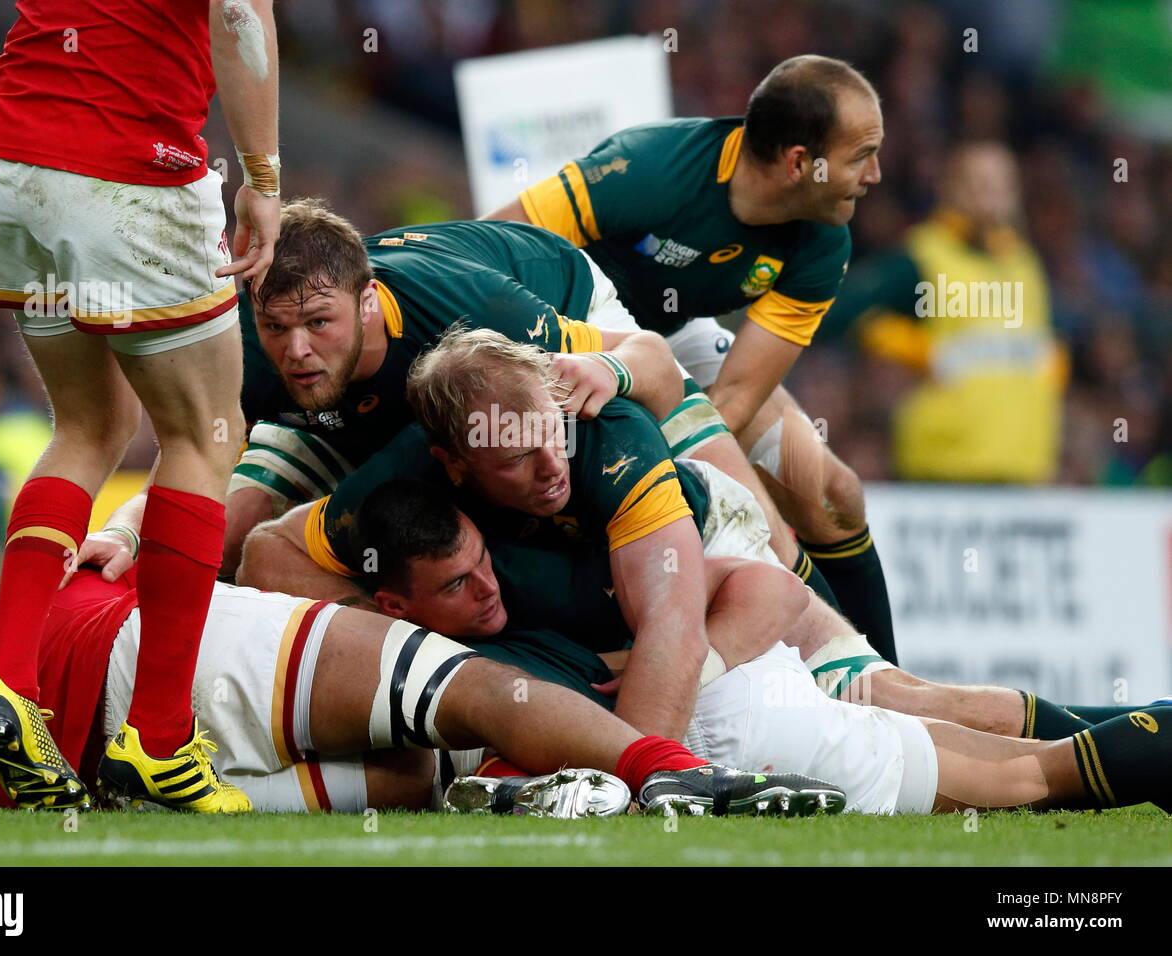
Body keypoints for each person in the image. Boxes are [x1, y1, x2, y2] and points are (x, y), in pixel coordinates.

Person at [243, 327, 1146, 743]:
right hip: (591, 600)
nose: (551, 468)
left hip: (713, 544)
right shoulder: (404, 475)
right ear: (451, 462)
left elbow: (678, 622)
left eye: (553, 436)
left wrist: (631, 771)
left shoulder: (608, 439)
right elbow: (266, 558)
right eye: (516, 460)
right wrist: (402, 626)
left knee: (885, 700)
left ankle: (1127, 737)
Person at [77, 200, 837, 608]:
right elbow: (194, 458)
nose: (297, 348)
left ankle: (840, 647)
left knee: (734, 504)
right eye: (279, 329)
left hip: (562, 301)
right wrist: (124, 530)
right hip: (351, 405)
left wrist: (613, 370)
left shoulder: (483, 316)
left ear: (367, 303)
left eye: (318, 323)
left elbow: (656, 363)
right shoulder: (257, 346)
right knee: (230, 531)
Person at [334, 478, 1172, 818]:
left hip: (734, 721)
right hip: (735, 717)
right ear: (392, 602)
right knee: (1016, 759)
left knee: (1030, 778)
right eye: (458, 585)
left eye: (483, 563)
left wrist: (676, 677)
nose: (488, 589)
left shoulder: (519, 594)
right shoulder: (444, 659)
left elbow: (772, 588)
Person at [0, 0, 282, 812]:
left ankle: (9, 681)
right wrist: (264, 180)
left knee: (91, 425)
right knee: (206, 434)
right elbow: (239, 13)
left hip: (6, 157)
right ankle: (159, 741)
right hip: (126, 164)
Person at [485, 54, 899, 666]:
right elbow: (489, 250)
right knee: (760, 515)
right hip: (576, 326)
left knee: (833, 495)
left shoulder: (824, 238)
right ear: (798, 164)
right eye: (862, 155)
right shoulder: (649, 168)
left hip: (674, 334)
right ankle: (840, 668)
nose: (876, 175)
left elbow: (735, 400)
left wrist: (699, 457)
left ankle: (888, 680)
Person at [0, 566, 847, 819]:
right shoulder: (64, 594)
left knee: (406, 780)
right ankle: (670, 770)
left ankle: (506, 789)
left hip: (128, 780)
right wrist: (121, 532)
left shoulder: (3, 777)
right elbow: (185, 518)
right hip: (168, 656)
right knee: (472, 690)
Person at [824, 141, 1065, 483]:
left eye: (1002, 184)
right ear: (951, 188)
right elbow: (836, 311)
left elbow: (1044, 350)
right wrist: (905, 347)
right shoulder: (923, 258)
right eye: (978, 183)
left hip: (1024, 467)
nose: (992, 194)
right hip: (943, 469)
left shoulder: (1024, 264)